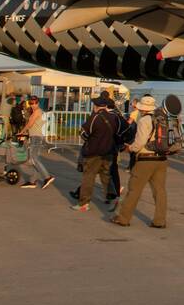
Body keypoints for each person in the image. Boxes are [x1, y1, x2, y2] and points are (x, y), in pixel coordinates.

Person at [112, 95, 171, 226]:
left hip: (146, 159)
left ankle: (123, 218)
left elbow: (140, 143)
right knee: (160, 191)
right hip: (161, 158)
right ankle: (160, 220)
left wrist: (130, 148)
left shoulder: (145, 120)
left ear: (142, 109)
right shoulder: (163, 119)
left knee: (134, 189)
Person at [71, 97, 120, 211]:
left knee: (89, 177)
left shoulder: (95, 117)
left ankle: (83, 203)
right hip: (108, 152)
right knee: (106, 175)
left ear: (96, 106)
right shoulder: (113, 118)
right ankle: (113, 197)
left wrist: (90, 140)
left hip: (94, 152)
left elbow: (84, 133)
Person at [17, 95, 55, 189]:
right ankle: (32, 181)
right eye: (31, 103)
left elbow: (30, 124)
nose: (33, 105)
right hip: (35, 136)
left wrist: (22, 132)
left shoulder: (37, 111)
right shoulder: (34, 111)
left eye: (35, 103)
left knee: (34, 159)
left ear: (38, 103)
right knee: (35, 159)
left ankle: (47, 177)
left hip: (36, 138)